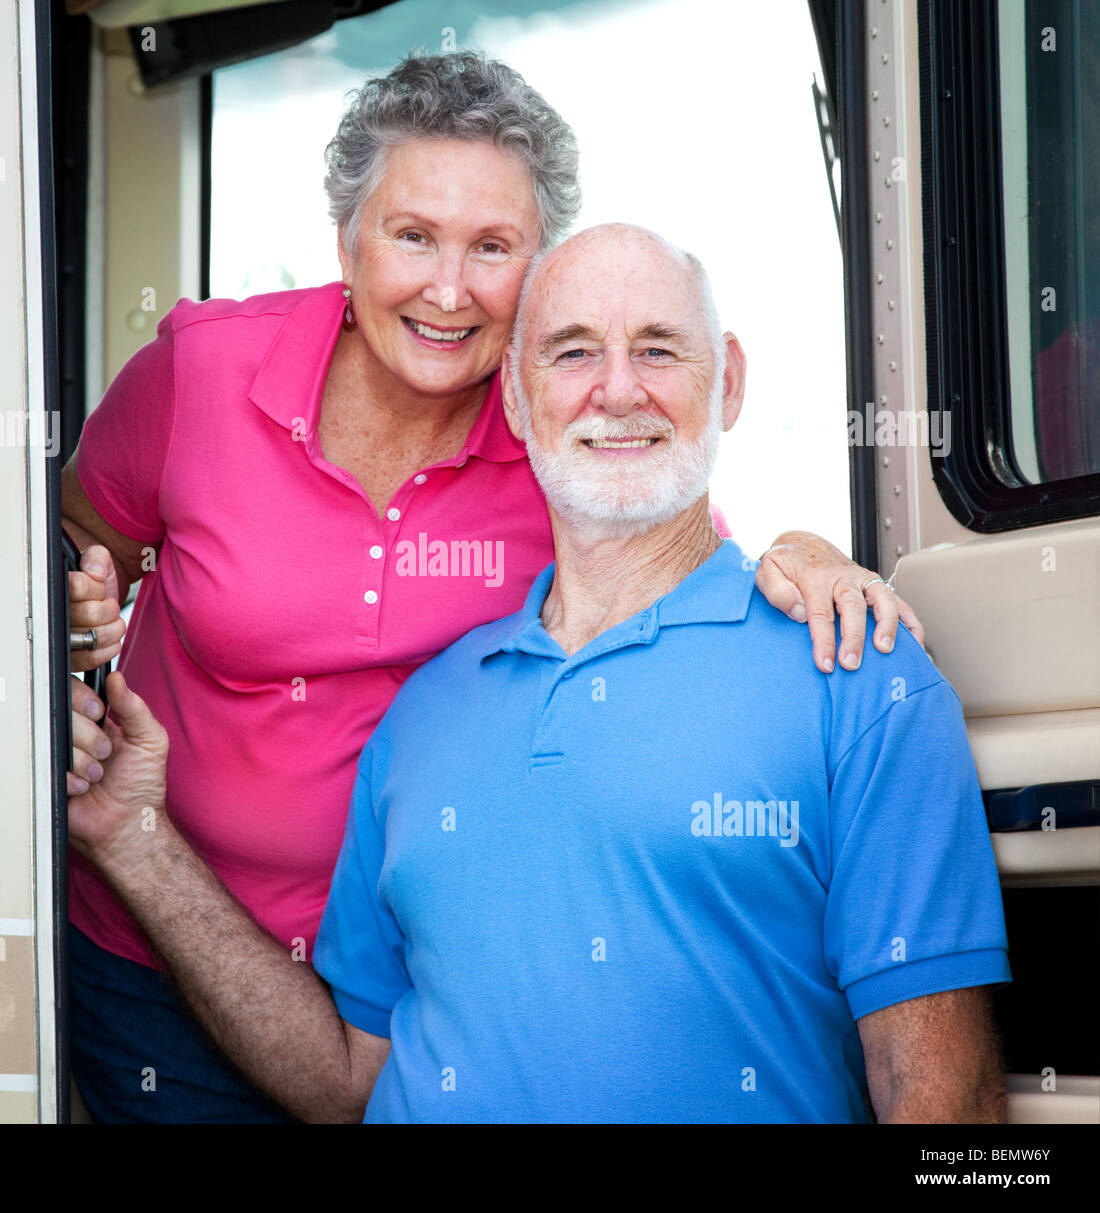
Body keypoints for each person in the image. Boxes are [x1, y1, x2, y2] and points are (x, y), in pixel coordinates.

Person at [62, 53, 927, 1123]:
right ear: (347, 241)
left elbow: (696, 558)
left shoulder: (557, 431)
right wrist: (78, 622)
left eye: (492, 249)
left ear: (537, 266)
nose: (448, 287)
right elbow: (72, 548)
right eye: (412, 235)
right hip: (156, 938)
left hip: (418, 972)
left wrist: (815, 551)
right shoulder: (196, 376)